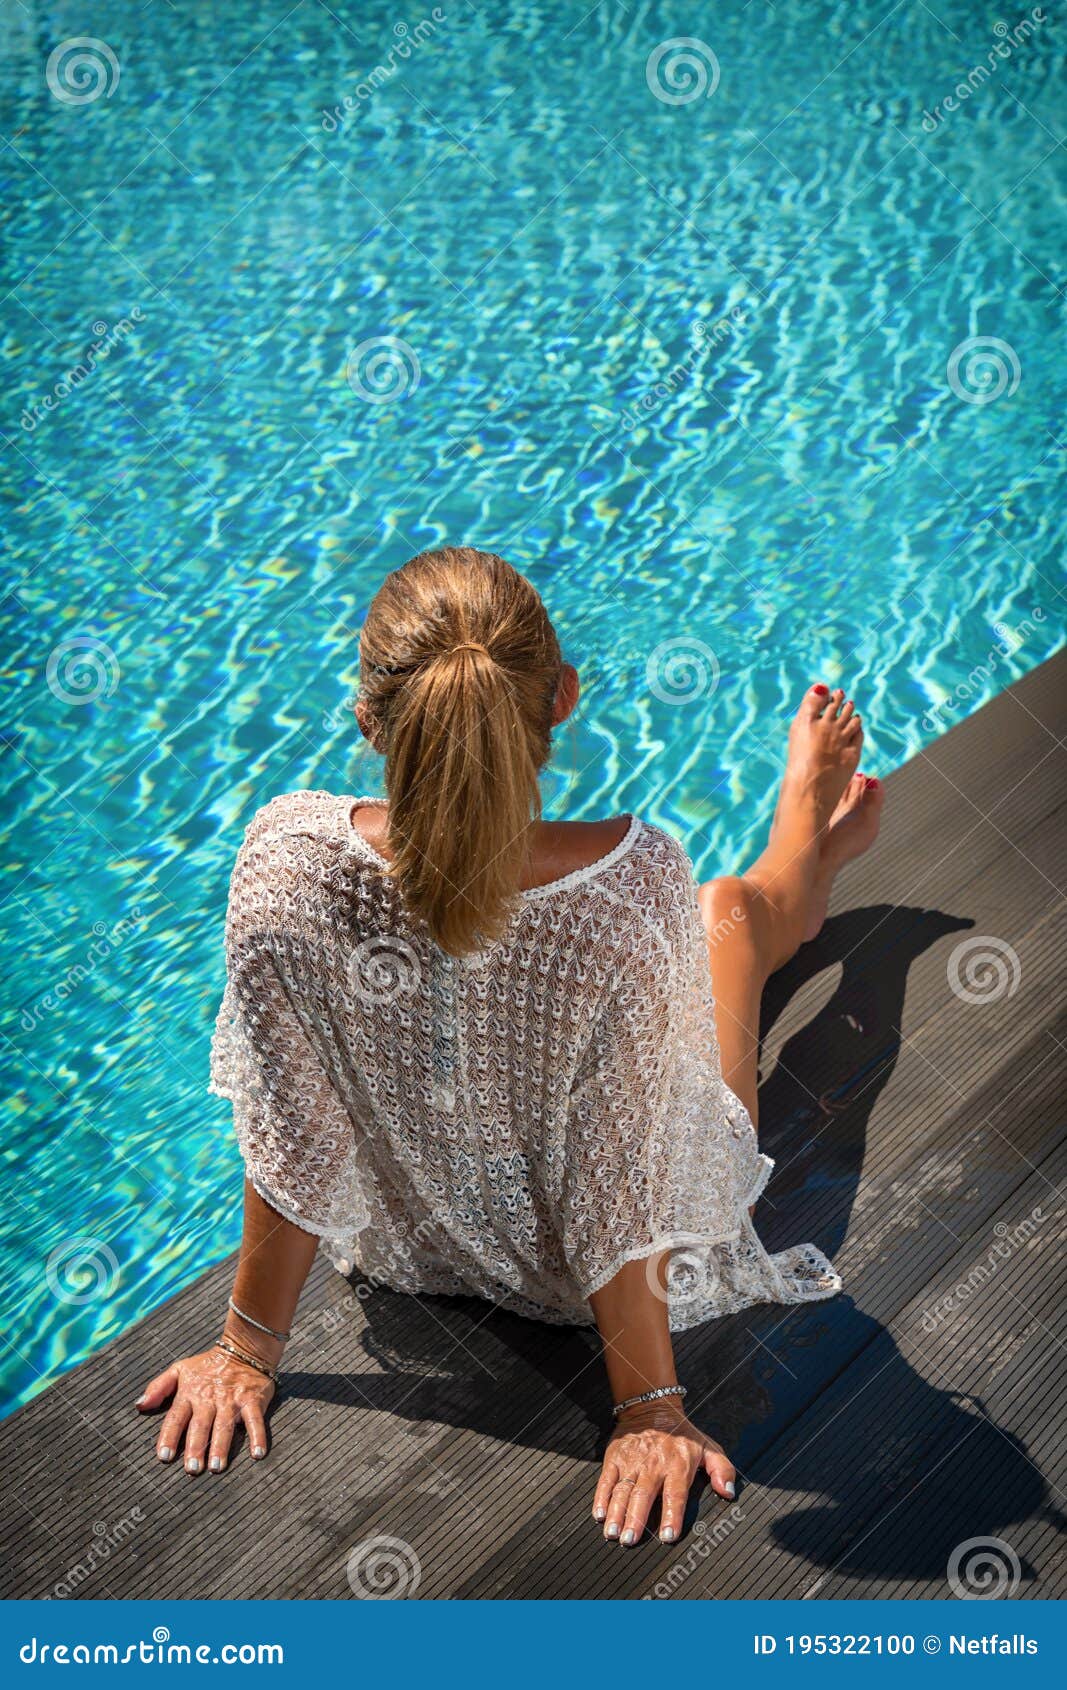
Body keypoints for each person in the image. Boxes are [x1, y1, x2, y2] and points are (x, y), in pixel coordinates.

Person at [136, 545, 882, 1547]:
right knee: (729, 918)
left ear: (367, 716)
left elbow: (291, 1137)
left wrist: (246, 1349)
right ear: (561, 698)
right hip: (592, 1286)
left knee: (712, 931)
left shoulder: (281, 863)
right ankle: (803, 848)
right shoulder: (624, 885)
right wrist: (647, 1406)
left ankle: (804, 856)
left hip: (413, 1246)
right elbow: (618, 1174)